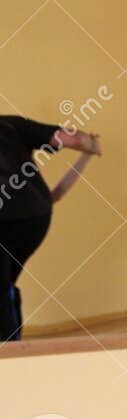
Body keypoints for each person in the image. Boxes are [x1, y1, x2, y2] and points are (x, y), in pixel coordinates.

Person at [0, 115, 103, 342]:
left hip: (14, 218)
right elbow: (74, 139)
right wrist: (91, 147)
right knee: (5, 285)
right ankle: (12, 345)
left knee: (3, 288)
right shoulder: (12, 124)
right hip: (35, 218)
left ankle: (9, 348)